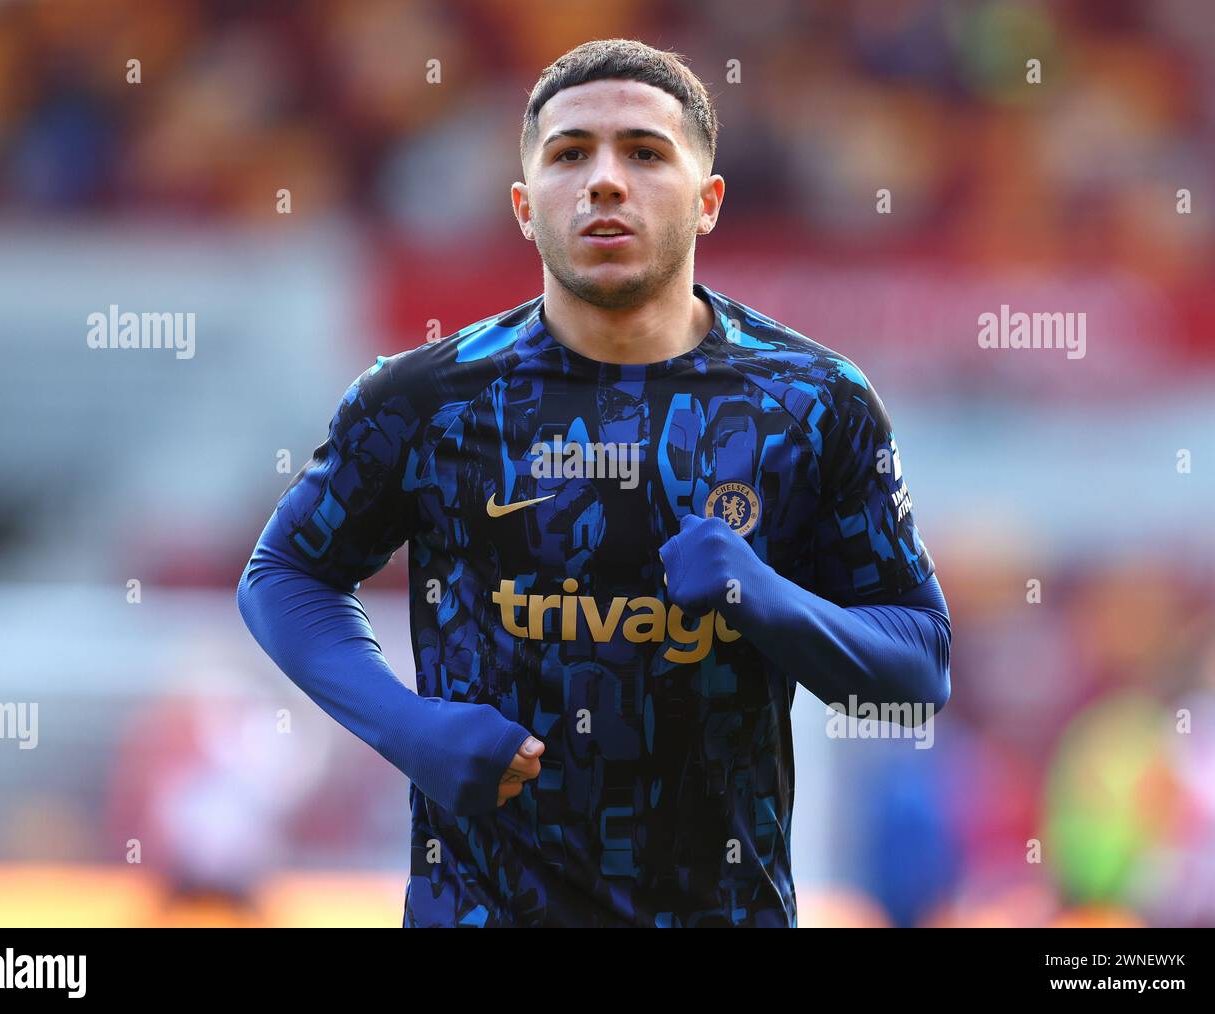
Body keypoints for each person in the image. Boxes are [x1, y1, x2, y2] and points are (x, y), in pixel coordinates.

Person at [237, 38, 951, 927]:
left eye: (646, 153)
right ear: (525, 206)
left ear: (708, 200)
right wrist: (408, 728)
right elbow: (284, 575)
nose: (604, 180)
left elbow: (917, 666)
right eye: (570, 154)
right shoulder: (425, 400)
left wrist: (763, 596)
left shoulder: (813, 403)